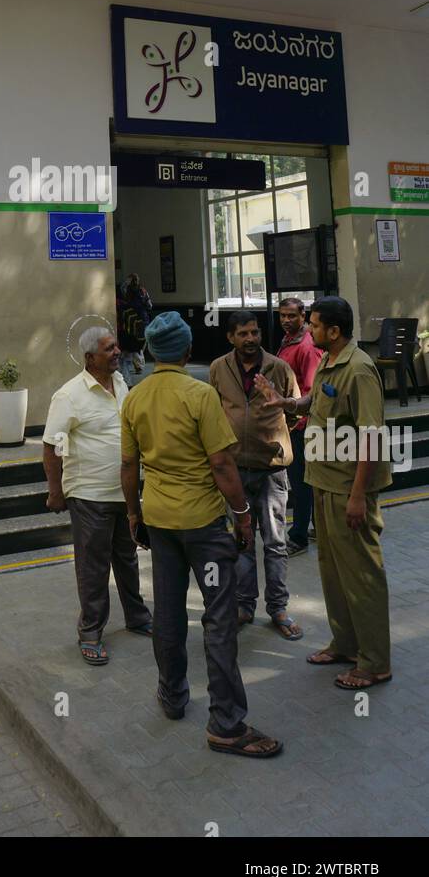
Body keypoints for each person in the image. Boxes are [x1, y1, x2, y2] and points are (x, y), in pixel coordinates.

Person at [121, 310, 282, 759]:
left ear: (152, 352)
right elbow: (221, 464)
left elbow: (129, 465)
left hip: (159, 521)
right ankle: (227, 724)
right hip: (204, 527)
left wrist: (134, 515)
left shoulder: (134, 397)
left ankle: (172, 695)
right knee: (217, 617)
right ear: (188, 350)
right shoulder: (199, 394)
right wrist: (244, 516)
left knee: (168, 612)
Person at [255, 296, 392, 691]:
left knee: (362, 576)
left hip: (348, 488)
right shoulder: (330, 360)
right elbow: (314, 403)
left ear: (334, 330)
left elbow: (371, 438)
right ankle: (347, 644)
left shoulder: (360, 370)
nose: (307, 329)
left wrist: (357, 496)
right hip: (324, 483)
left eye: (313, 325)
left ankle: (375, 663)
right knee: (333, 573)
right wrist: (284, 402)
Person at [42, 326, 152, 665]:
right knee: (93, 566)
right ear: (90, 358)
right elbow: (51, 447)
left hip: (126, 493)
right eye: (109, 349)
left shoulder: (120, 383)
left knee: (128, 558)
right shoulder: (69, 395)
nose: (118, 352)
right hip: (89, 495)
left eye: (116, 346)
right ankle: (90, 632)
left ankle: (137, 617)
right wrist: (56, 492)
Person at [210, 310, 302, 640]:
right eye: (243, 334)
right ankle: (243, 605)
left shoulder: (278, 367)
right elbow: (214, 411)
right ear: (230, 338)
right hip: (234, 470)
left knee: (275, 542)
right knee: (241, 541)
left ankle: (278, 608)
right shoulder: (218, 368)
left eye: (254, 333)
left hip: (271, 469)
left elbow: (293, 410)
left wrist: (273, 439)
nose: (250, 339)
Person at [277, 298, 323, 556]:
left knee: (301, 483)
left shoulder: (306, 346)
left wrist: (297, 423)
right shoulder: (288, 340)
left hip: (301, 425)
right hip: (292, 421)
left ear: (303, 315)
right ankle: (318, 527)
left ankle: (298, 538)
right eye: (282, 315)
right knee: (305, 481)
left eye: (292, 316)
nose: (286, 320)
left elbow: (310, 389)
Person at [116, 274, 153, 388]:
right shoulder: (143, 291)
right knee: (137, 348)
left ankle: (127, 382)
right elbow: (149, 306)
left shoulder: (124, 294)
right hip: (142, 325)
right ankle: (139, 365)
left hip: (128, 328)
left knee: (125, 356)